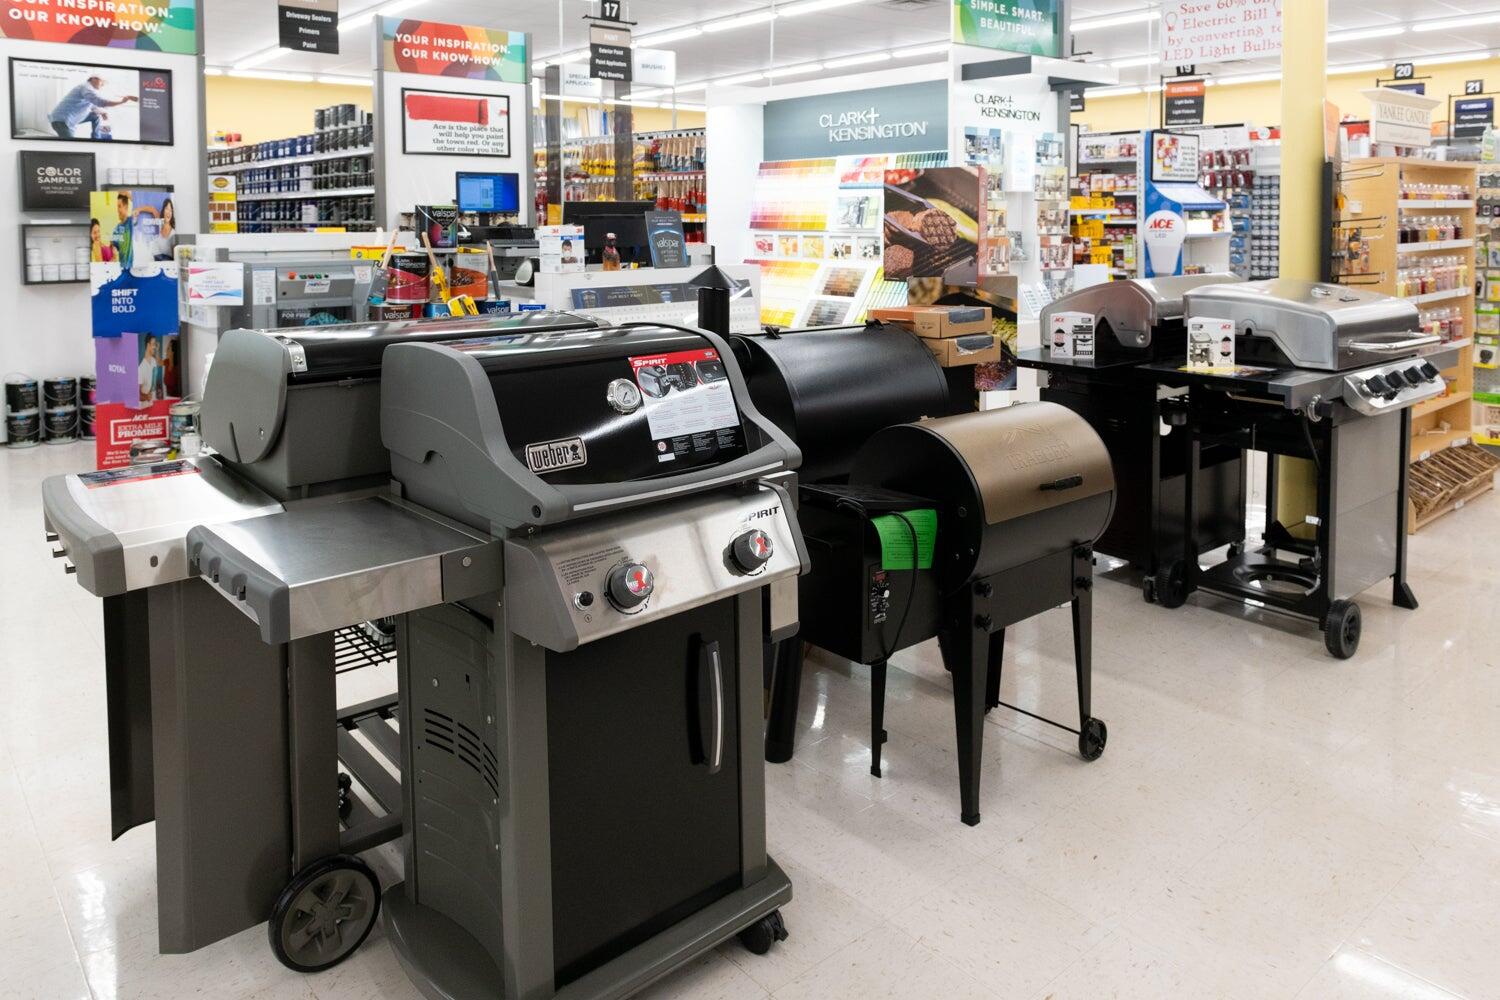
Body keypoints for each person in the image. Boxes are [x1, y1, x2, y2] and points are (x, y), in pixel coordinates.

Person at [47, 74, 137, 139]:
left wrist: (103, 112)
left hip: (70, 118)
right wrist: (121, 102)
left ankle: (96, 139)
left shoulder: (87, 89)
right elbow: (100, 101)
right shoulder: (86, 87)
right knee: (70, 147)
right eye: (102, 82)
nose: (103, 85)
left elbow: (93, 105)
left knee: (96, 116)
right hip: (61, 121)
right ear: (94, 79)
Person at [111, 192, 133, 270]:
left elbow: (139, 204)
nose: (118, 210)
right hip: (122, 270)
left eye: (119, 206)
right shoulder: (116, 230)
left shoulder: (131, 222)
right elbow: (114, 249)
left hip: (134, 269)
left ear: (126, 207)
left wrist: (127, 194)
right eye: (117, 207)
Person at [138, 335, 161, 406]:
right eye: (154, 344)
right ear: (148, 345)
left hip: (155, 404)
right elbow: (137, 395)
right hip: (146, 407)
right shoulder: (141, 369)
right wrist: (146, 397)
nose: (155, 347)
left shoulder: (153, 361)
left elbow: (154, 379)